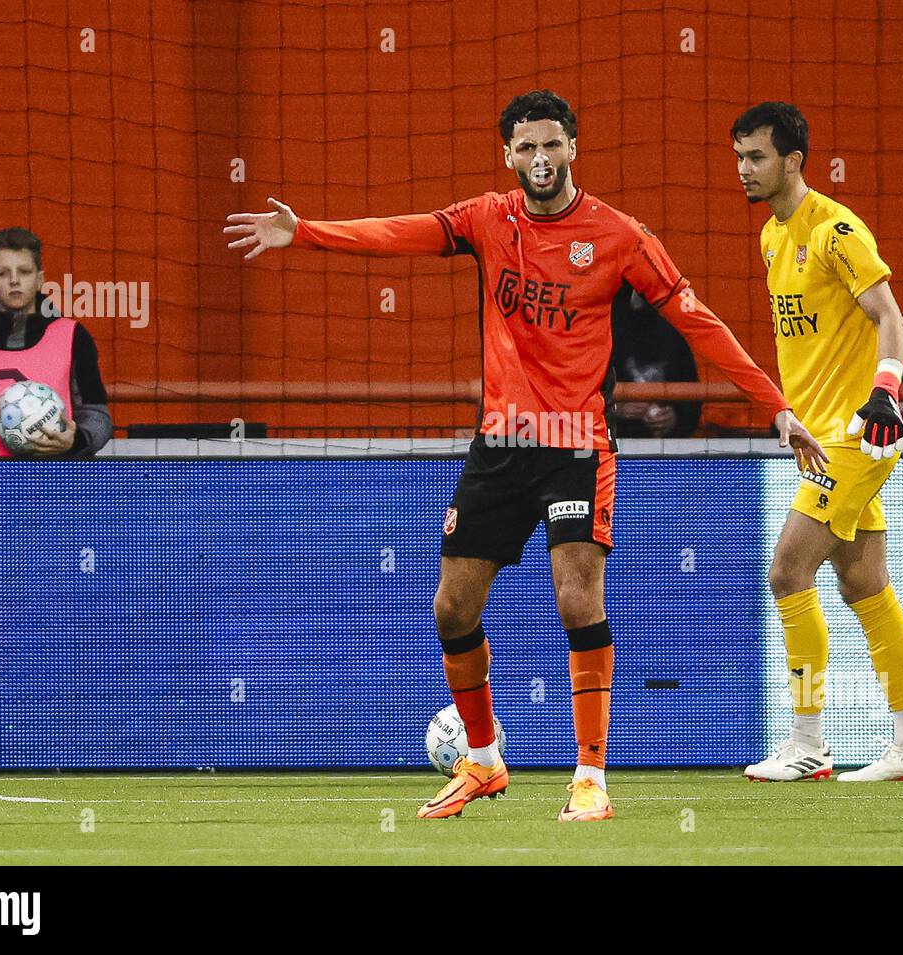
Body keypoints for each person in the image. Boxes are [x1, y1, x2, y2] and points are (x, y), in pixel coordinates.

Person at [226, 89, 828, 820]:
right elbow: (401, 233)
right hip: (501, 444)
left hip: (577, 444)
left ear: (573, 146)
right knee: (451, 607)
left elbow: (697, 322)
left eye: (551, 145)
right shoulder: (488, 219)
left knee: (577, 598)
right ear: (506, 155)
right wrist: (308, 232)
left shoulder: (618, 235)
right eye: (525, 148)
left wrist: (777, 407)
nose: (539, 159)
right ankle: (482, 761)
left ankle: (590, 777)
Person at [732, 102, 903, 783]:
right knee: (864, 584)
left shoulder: (836, 230)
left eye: (757, 156)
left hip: (856, 432)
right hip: (817, 435)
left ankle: (808, 741)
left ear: (793, 160)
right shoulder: (770, 237)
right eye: (739, 157)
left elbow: (890, 316)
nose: (744, 169)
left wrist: (886, 391)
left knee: (786, 572)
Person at [0, 228, 112, 458]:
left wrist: (76, 441)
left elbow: (100, 419)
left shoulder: (73, 336)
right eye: (3, 273)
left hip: (55, 485)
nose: (14, 280)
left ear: (40, 279)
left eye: (24, 272)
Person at [610, 286, 701, 438]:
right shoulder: (600, 335)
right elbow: (580, 399)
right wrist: (614, 410)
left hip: (664, 448)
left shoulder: (671, 337)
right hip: (613, 444)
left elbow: (692, 399)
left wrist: (675, 417)